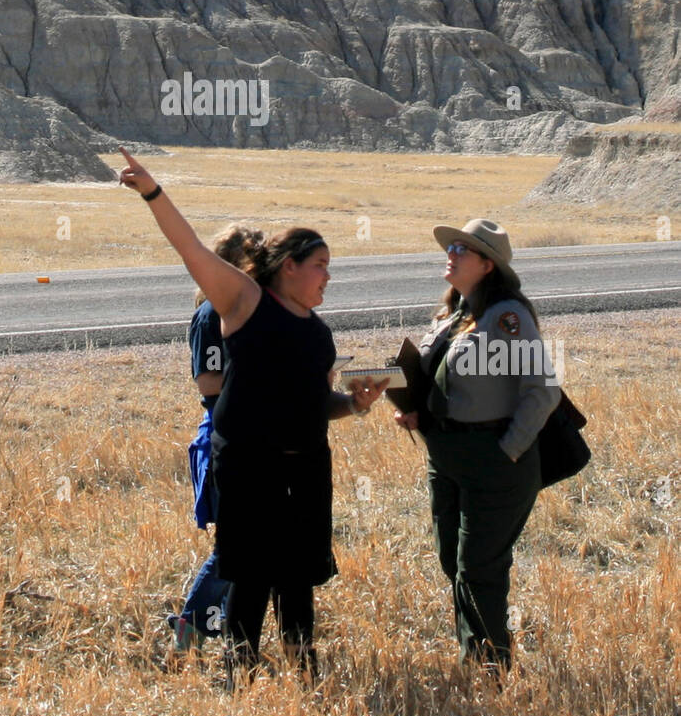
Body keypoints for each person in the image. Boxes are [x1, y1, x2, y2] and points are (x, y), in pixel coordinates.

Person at [117, 147, 385, 686]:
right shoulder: (245, 302)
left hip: (306, 469)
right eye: (320, 267)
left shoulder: (319, 332)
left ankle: (303, 671)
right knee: (250, 575)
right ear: (289, 268)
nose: (328, 278)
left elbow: (315, 405)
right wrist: (152, 192)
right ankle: (238, 672)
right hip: (249, 468)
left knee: (298, 578)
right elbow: (190, 247)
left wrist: (354, 405)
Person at [395, 219, 561, 675]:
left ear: (488, 265)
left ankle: (491, 669)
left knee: (478, 567)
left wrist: (507, 449)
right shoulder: (454, 313)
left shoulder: (507, 317)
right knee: (454, 560)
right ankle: (477, 657)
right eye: (451, 246)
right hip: (446, 455)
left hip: (493, 458)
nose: (450, 253)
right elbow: (446, 385)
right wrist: (417, 412)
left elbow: (542, 390)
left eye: (462, 249)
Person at [168, 224, 264, 651]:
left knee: (252, 543)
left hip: (256, 436)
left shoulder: (253, 309)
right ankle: (190, 627)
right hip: (228, 437)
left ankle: (227, 629)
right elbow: (209, 383)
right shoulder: (212, 315)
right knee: (236, 546)